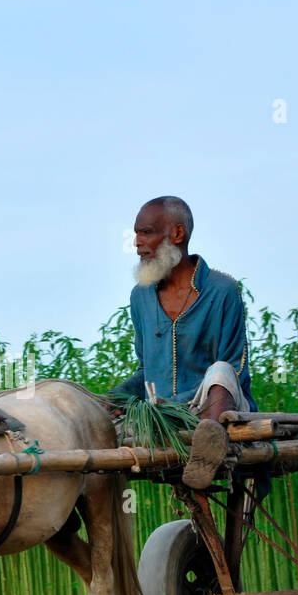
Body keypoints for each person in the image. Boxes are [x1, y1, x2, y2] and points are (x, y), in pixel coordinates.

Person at [108, 196, 256, 489]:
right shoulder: (140, 297)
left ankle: (208, 452)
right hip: (158, 417)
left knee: (221, 370)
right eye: (136, 234)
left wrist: (175, 404)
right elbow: (146, 369)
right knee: (90, 418)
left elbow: (235, 371)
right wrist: (114, 399)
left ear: (177, 234)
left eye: (146, 232)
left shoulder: (222, 290)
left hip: (214, 409)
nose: (137, 243)